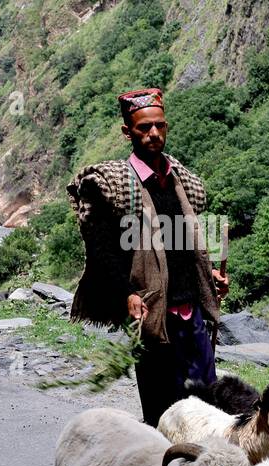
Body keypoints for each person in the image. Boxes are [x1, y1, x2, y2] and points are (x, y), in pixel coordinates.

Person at [67, 87, 230, 426]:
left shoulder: (179, 181)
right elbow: (102, 250)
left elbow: (184, 243)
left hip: (192, 313)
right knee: (162, 411)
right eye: (144, 127)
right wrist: (126, 292)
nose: (153, 133)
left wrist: (209, 275)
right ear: (128, 131)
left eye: (159, 125)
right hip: (152, 312)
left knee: (204, 407)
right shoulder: (115, 186)